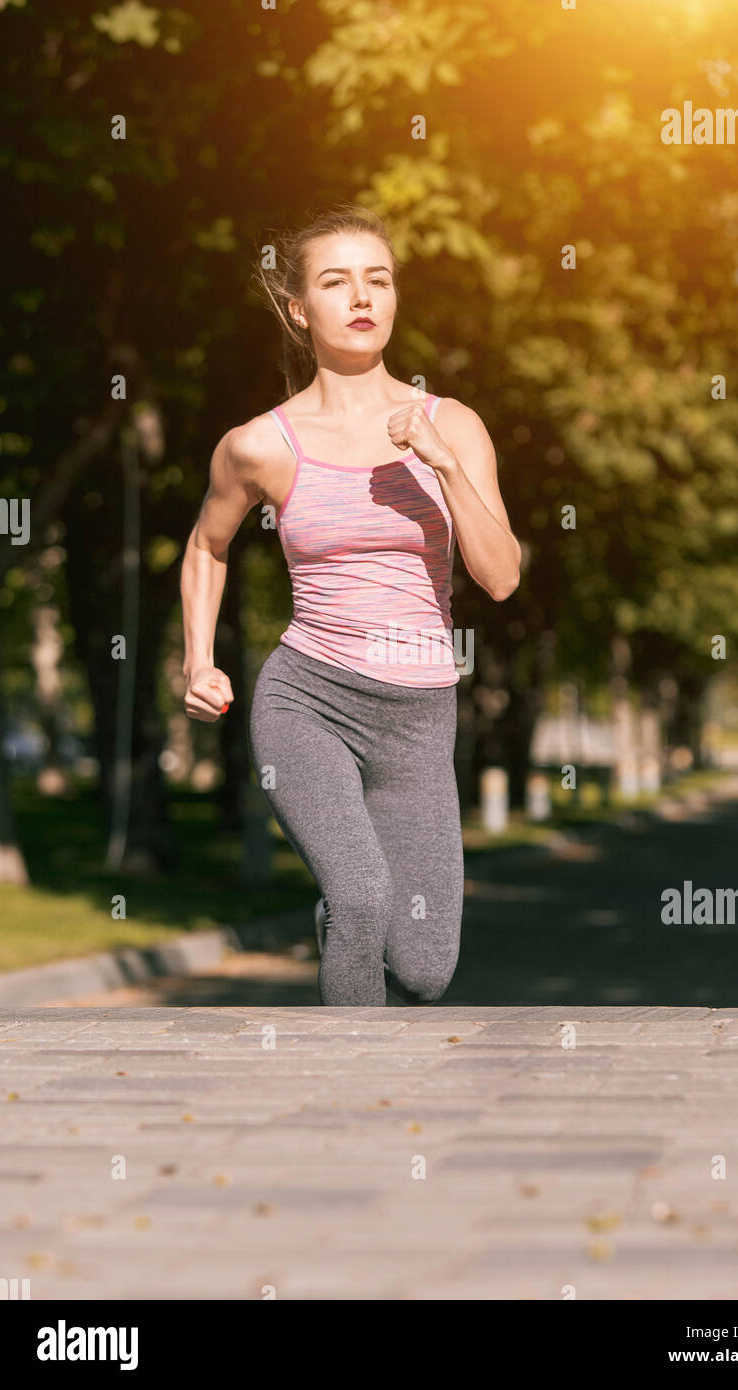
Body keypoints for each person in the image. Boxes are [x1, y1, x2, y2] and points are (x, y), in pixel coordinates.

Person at [180, 204, 521, 1005]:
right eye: (336, 282)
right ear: (300, 310)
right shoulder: (259, 444)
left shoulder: (454, 425)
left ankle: (351, 959)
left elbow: (501, 575)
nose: (362, 297)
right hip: (310, 699)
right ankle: (347, 1096)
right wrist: (198, 659)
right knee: (363, 895)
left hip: (420, 713)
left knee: (428, 968)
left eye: (379, 279)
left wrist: (443, 466)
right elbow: (206, 545)